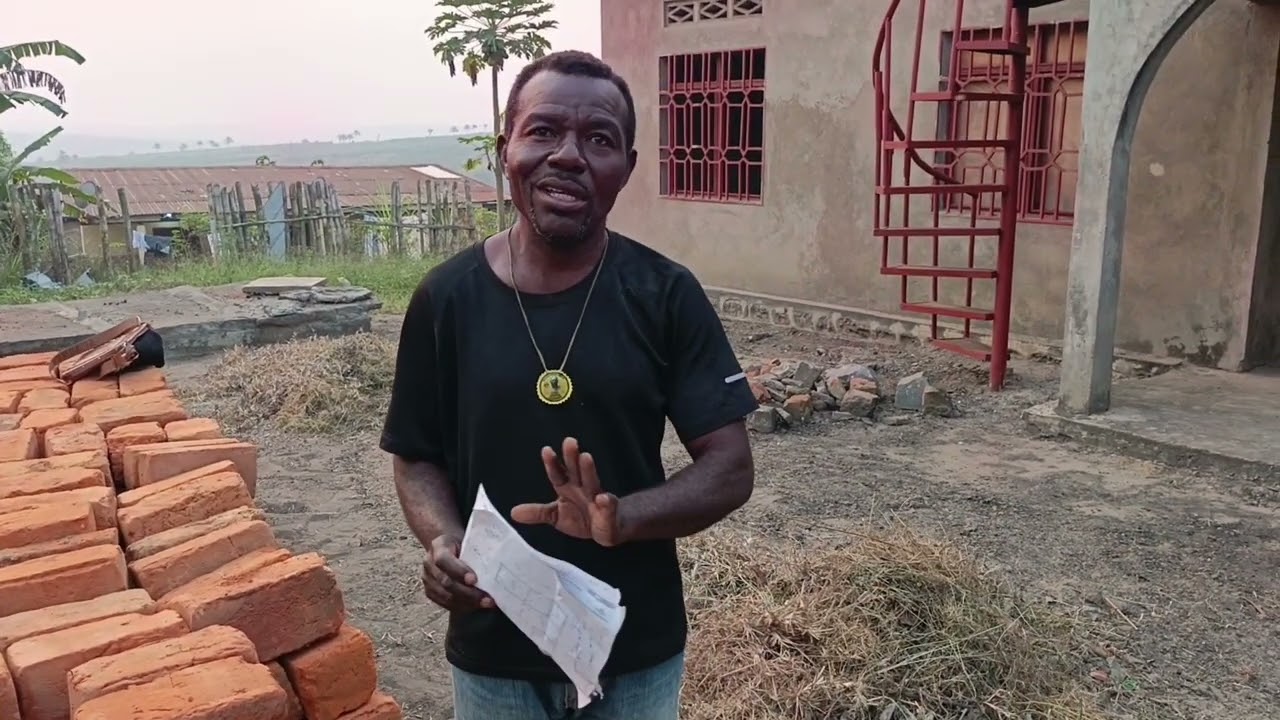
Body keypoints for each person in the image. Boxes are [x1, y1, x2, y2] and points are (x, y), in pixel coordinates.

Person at [381, 49, 758, 720]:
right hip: (495, 648)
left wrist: (624, 518)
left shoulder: (665, 295)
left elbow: (730, 468)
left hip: (634, 648)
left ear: (627, 169)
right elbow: (415, 455)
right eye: (544, 131)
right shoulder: (446, 300)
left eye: (599, 139)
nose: (568, 155)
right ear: (508, 149)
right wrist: (442, 539)